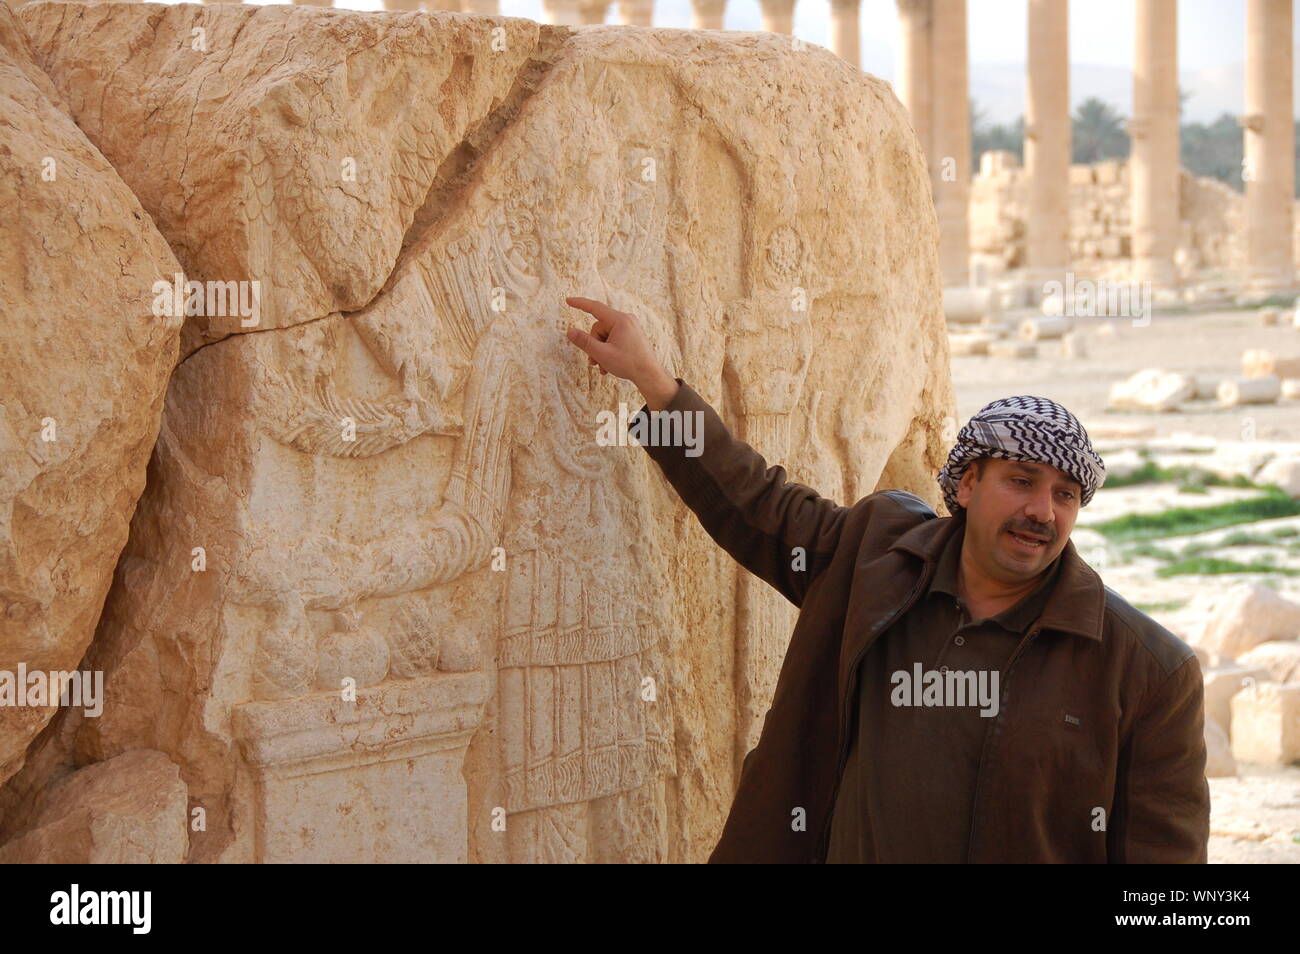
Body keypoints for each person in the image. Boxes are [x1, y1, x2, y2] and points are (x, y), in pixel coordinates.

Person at [563, 296, 1210, 864]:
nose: (1042, 511)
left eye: (1065, 494)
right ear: (967, 483)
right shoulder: (873, 558)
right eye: (1021, 481)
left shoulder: (1147, 672)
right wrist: (653, 382)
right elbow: (756, 503)